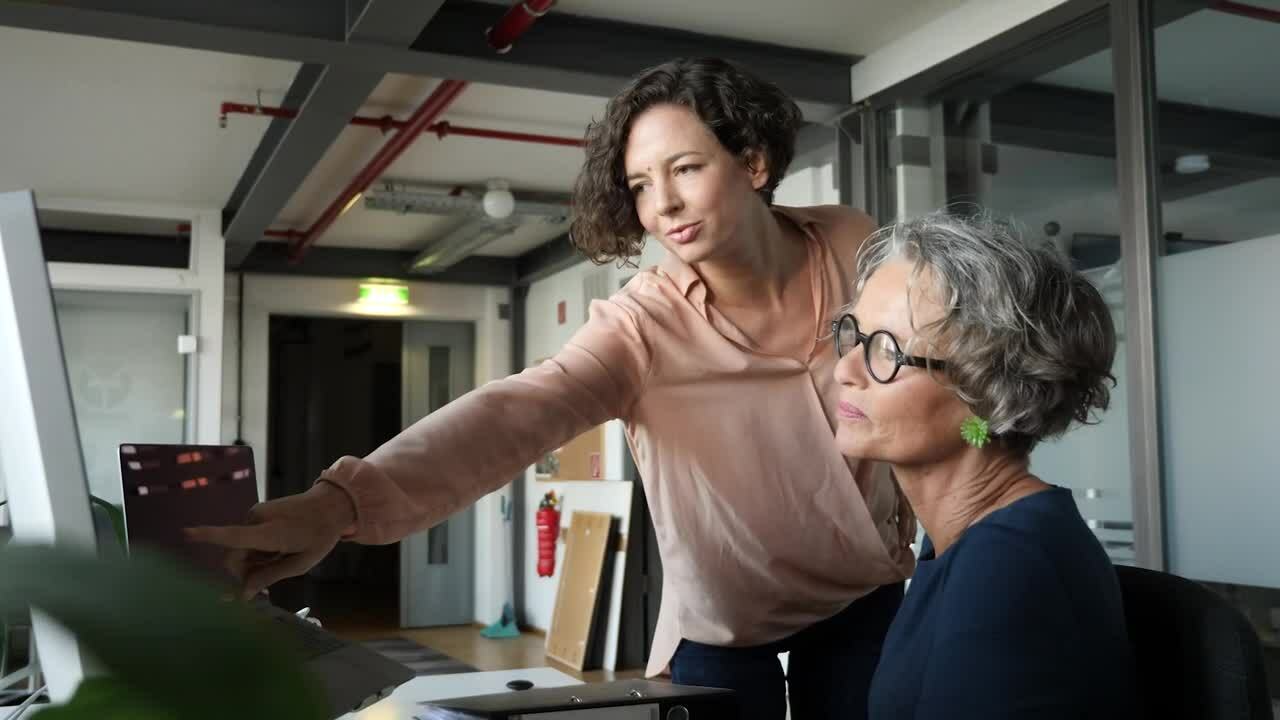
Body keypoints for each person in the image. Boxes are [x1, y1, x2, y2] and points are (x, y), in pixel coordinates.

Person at [188, 57, 914, 720]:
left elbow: (943, 373)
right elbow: (515, 413)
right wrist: (341, 502)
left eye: (686, 168)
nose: (661, 204)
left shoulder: (850, 245)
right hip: (724, 623)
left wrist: (977, 458)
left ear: (753, 161)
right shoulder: (641, 325)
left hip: (863, 593)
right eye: (639, 185)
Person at [829, 210, 1139, 718]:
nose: (844, 370)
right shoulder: (966, 540)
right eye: (852, 335)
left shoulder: (1009, 564)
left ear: (985, 391)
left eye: (886, 350)